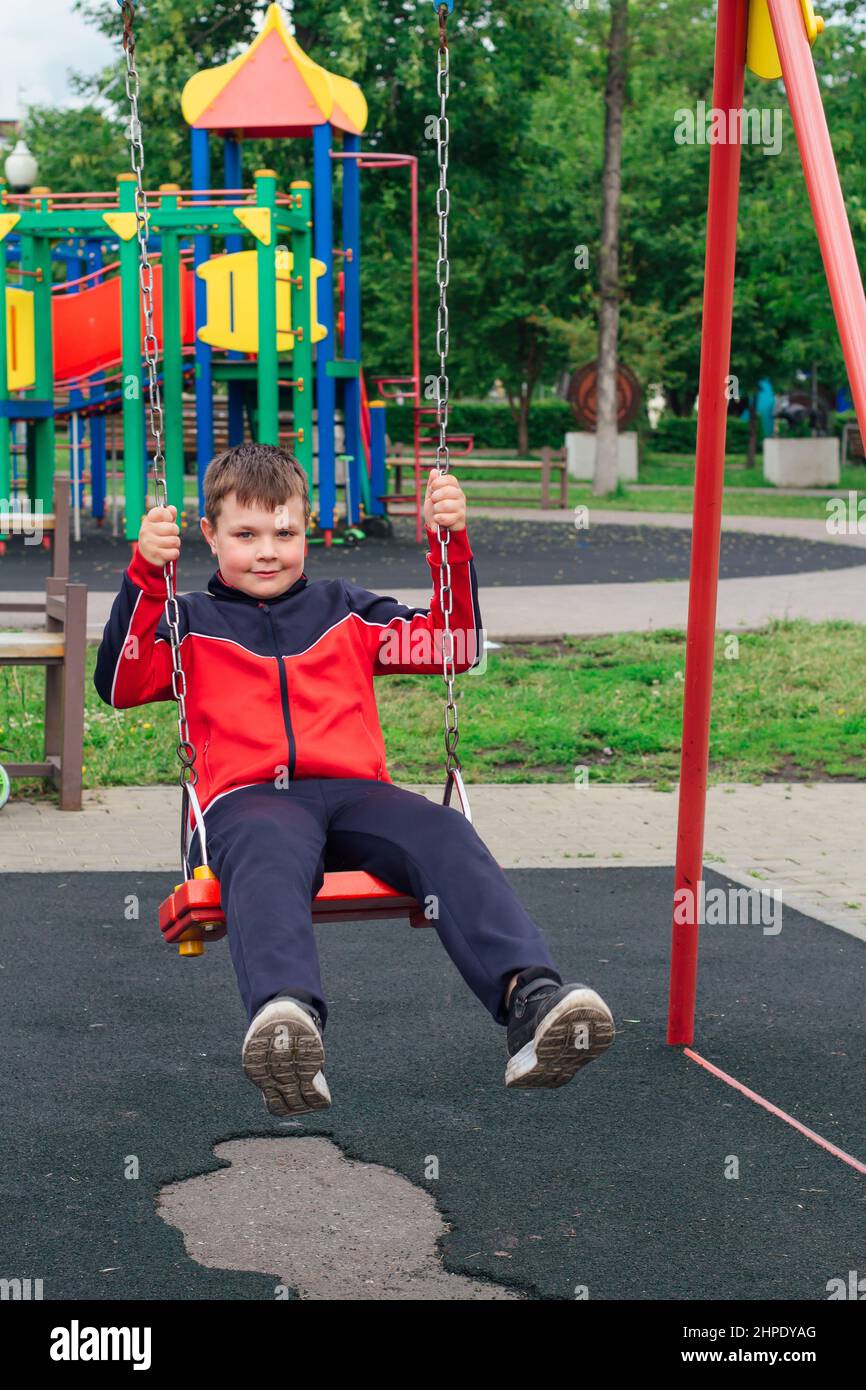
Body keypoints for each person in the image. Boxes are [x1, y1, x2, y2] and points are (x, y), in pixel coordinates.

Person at [94, 443, 614, 1115]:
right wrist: (145, 572)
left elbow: (451, 646)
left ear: (307, 529)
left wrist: (449, 544)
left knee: (441, 831)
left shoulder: (347, 610)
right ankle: (287, 1020)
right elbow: (119, 682)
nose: (267, 551)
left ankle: (533, 1003)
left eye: (285, 532)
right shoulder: (187, 621)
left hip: (356, 794)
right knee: (267, 852)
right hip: (249, 800)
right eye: (245, 535)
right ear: (209, 536)